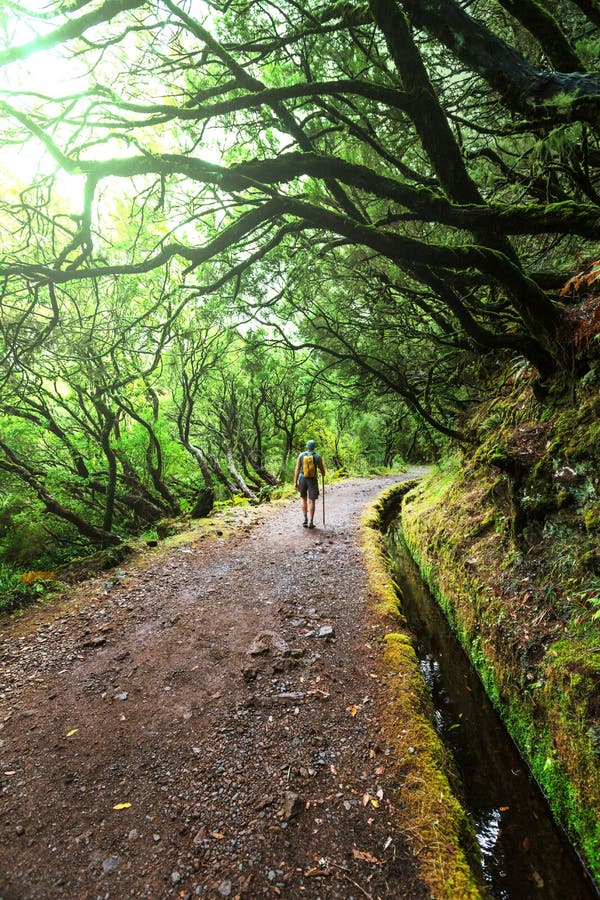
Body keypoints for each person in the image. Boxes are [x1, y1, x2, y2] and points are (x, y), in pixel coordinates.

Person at [294, 439, 325, 529]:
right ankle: (311, 521)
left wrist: (295, 482)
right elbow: (322, 470)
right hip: (312, 480)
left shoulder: (301, 455)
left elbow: (297, 469)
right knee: (312, 501)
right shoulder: (317, 456)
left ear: (307, 446)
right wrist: (323, 473)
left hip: (302, 479)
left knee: (303, 499)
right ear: (314, 447)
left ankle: (305, 519)